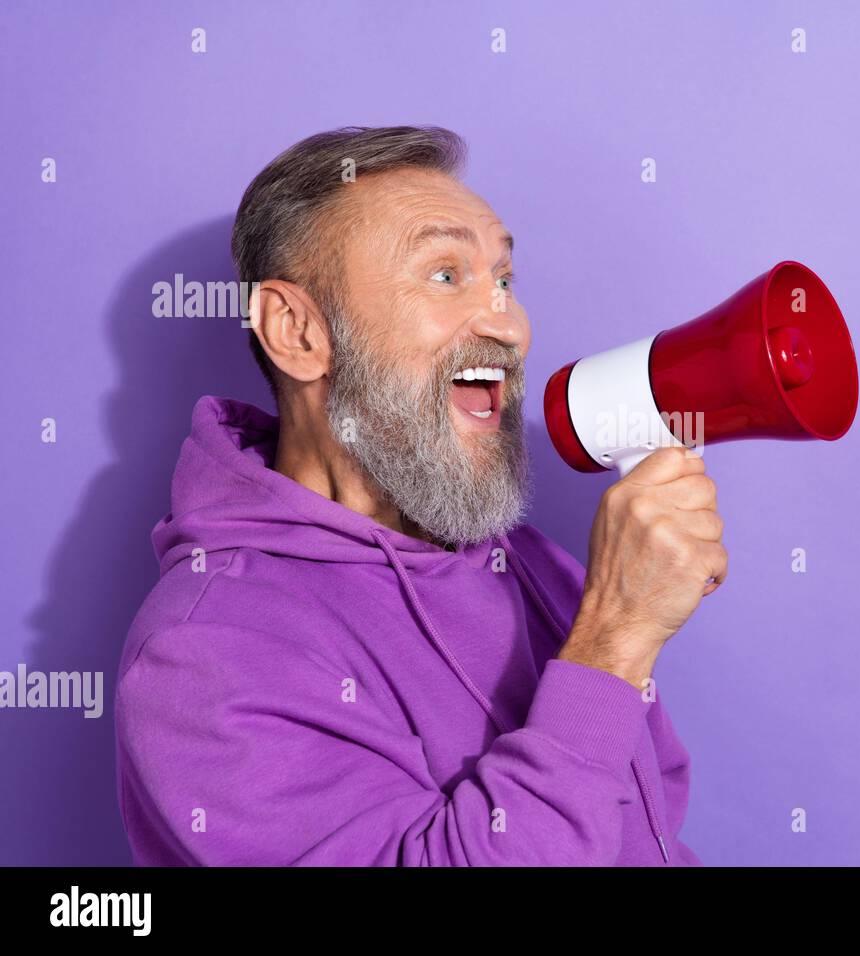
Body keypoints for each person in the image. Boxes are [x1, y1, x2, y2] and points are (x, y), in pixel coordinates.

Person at [114, 126, 727, 865]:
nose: (508, 324)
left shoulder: (530, 565)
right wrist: (616, 639)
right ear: (297, 331)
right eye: (445, 275)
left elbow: (653, 820)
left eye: (504, 279)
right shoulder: (205, 652)